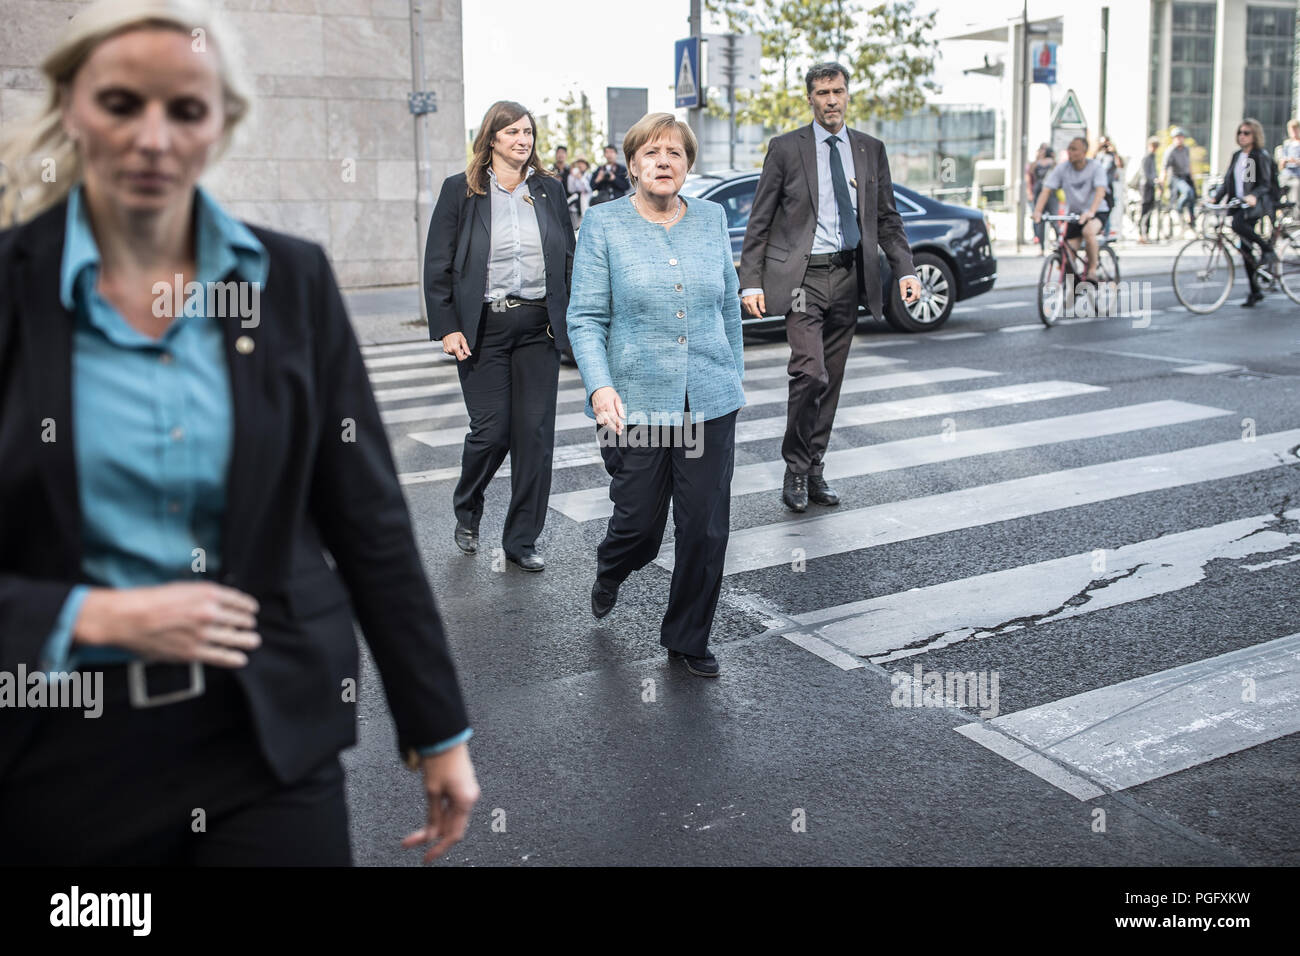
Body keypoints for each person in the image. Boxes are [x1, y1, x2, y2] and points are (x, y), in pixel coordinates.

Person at [0, 0, 478, 866]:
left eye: (185, 109)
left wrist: (438, 727)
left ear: (221, 125)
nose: (153, 137)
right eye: (121, 104)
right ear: (73, 105)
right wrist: (88, 614)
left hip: (266, 747)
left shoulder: (289, 280)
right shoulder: (12, 288)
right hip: (59, 753)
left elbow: (367, 521)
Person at [566, 112, 744, 678]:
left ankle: (688, 638)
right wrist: (600, 386)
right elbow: (586, 317)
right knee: (640, 524)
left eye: (675, 153)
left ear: (688, 165)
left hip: (709, 398)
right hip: (635, 401)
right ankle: (613, 566)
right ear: (632, 163)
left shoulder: (712, 218)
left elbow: (727, 308)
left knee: (704, 527)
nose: (663, 162)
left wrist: (732, 377)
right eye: (651, 153)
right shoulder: (603, 224)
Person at [738, 61, 920, 512]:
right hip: (804, 279)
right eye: (822, 93)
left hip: (851, 276)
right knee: (809, 372)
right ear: (810, 99)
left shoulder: (870, 149)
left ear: (847, 93)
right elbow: (759, 218)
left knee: (831, 380)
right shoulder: (785, 148)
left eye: (838, 91)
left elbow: (886, 217)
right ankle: (795, 467)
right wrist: (750, 282)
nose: (832, 100)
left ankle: (814, 467)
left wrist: (907, 270)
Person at [424, 101, 574, 571]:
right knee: (492, 433)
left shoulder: (549, 190)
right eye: (511, 132)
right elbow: (438, 264)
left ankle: (521, 539)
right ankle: (468, 505)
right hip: (482, 327)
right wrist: (447, 326)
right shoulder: (461, 191)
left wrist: (578, 322)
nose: (522, 139)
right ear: (491, 138)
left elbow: (567, 258)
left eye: (528, 131)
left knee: (534, 435)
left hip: (538, 327)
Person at [1211, 118, 1276, 307]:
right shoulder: (1237, 155)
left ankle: (1268, 249)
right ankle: (1255, 291)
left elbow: (1265, 183)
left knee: (1237, 225)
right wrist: (1215, 197)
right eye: (1240, 132)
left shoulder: (1259, 155)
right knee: (1245, 250)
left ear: (1255, 135)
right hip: (1239, 204)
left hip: (1255, 206)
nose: (1242, 136)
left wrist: (1253, 195)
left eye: (1246, 133)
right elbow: (1227, 181)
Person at [1032, 136, 1108, 281]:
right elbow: (1047, 190)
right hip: (1074, 215)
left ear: (1084, 152)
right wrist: (1037, 211)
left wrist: (1091, 212)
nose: (1070, 152)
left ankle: (1093, 269)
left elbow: (1100, 191)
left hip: (1096, 212)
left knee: (1088, 231)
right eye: (1069, 149)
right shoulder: (1063, 169)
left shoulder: (1095, 167)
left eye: (1074, 149)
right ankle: (1073, 286)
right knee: (1068, 254)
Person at [1161, 128, 1197, 233]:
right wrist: (1162, 180)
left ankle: (1191, 221)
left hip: (1186, 176)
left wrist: (1192, 177)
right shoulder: (1170, 151)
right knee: (1187, 192)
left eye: (1181, 137)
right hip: (1176, 177)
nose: (1179, 140)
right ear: (1173, 139)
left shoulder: (1186, 149)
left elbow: (1188, 164)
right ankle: (1178, 209)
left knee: (1192, 197)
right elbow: (1164, 167)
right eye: (1177, 137)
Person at [1025, 144, 1057, 252]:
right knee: (1040, 220)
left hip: (1049, 193)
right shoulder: (1037, 164)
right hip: (1041, 193)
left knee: (1053, 220)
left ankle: (1057, 244)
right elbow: (1029, 175)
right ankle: (1042, 247)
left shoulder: (1051, 163)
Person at [1094, 136, 1124, 239]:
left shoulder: (1112, 155)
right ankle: (1099, 232)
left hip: (1108, 187)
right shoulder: (1097, 155)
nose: (1105, 146)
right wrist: (1098, 148)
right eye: (1103, 144)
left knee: (1108, 209)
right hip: (1097, 188)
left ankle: (1106, 234)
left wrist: (1114, 151)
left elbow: (1120, 165)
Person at [1136, 137, 1160, 243]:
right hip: (1145, 186)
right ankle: (1141, 234)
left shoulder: (1153, 157)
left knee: (1150, 211)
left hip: (1151, 186)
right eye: (1153, 146)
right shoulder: (1146, 157)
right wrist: (1154, 180)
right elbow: (1145, 174)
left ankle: (1146, 234)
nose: (1154, 149)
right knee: (1144, 210)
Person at [1277, 119, 1300, 209]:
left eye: (1295, 129)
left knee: (1295, 197)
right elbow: (1281, 165)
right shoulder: (1286, 145)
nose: (1293, 132)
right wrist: (1284, 161)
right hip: (1285, 176)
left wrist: (1295, 161)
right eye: (1292, 129)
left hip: (1297, 177)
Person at [567, 157, 592, 228]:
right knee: (575, 227)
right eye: (579, 163)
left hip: (586, 205)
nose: (580, 165)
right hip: (575, 206)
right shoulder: (572, 176)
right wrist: (572, 177)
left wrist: (581, 178)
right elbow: (571, 189)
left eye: (582, 163)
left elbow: (588, 189)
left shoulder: (589, 176)